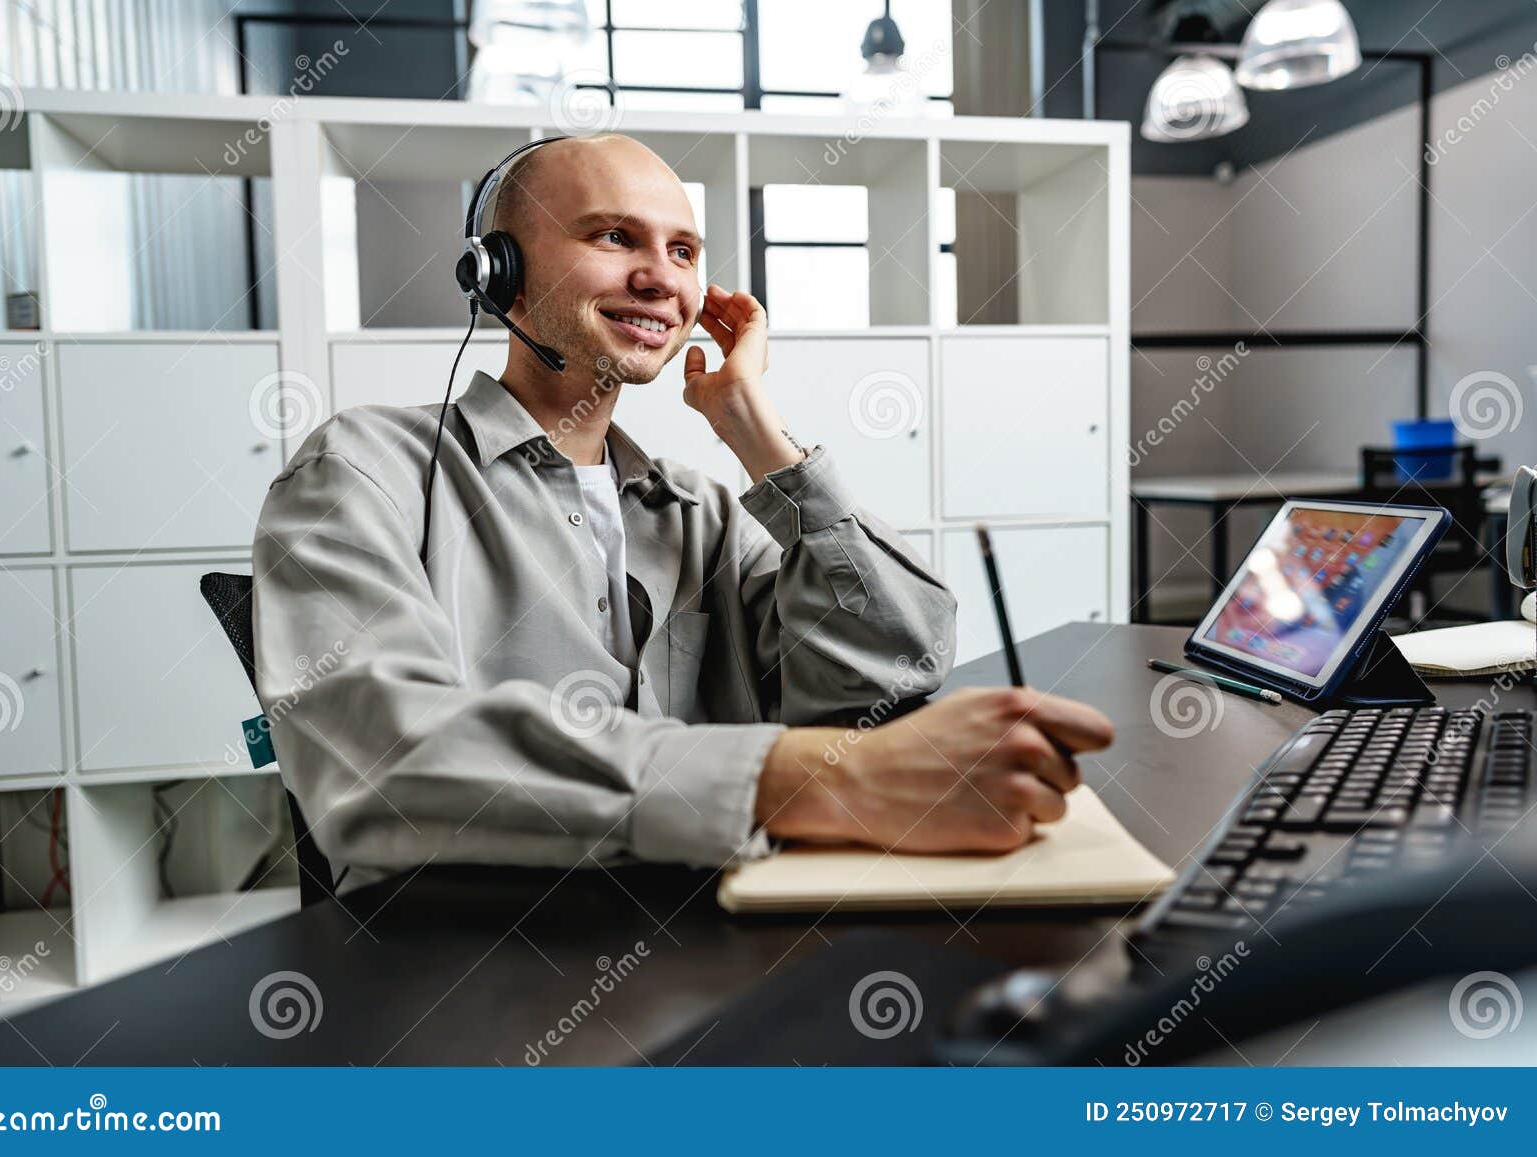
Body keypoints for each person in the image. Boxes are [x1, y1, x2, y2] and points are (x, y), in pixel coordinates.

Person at [251, 133, 1113, 894]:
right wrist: (802, 782)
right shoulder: (364, 473)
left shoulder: (699, 511)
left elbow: (887, 681)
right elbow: (384, 762)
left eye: (686, 250)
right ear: (496, 272)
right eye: (614, 235)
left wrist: (755, 430)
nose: (663, 277)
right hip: (469, 965)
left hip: (711, 934)